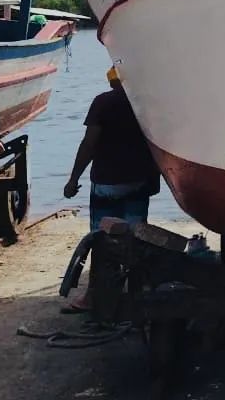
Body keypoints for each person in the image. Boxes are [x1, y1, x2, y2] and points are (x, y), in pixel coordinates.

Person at [63, 65, 161, 312]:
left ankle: (95, 296)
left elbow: (89, 144)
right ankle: (138, 293)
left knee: (102, 240)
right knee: (137, 237)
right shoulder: (147, 104)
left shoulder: (103, 102)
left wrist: (73, 179)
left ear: (112, 82)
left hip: (107, 183)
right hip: (138, 182)